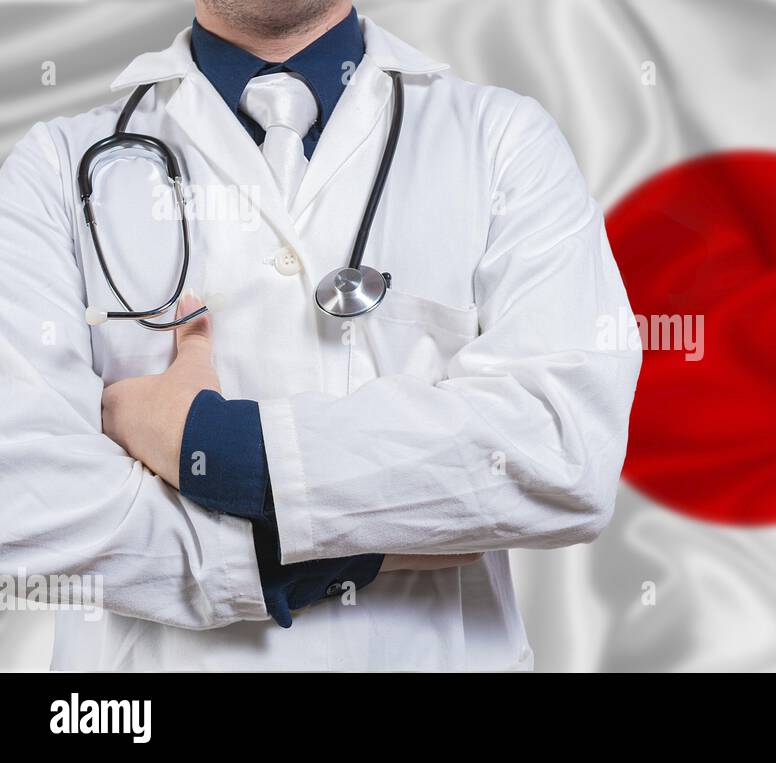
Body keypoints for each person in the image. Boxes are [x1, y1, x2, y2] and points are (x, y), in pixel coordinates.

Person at [0, 0, 640, 670]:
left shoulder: (502, 138)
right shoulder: (54, 170)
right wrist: (299, 560)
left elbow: (564, 447)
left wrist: (209, 444)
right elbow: (23, 495)